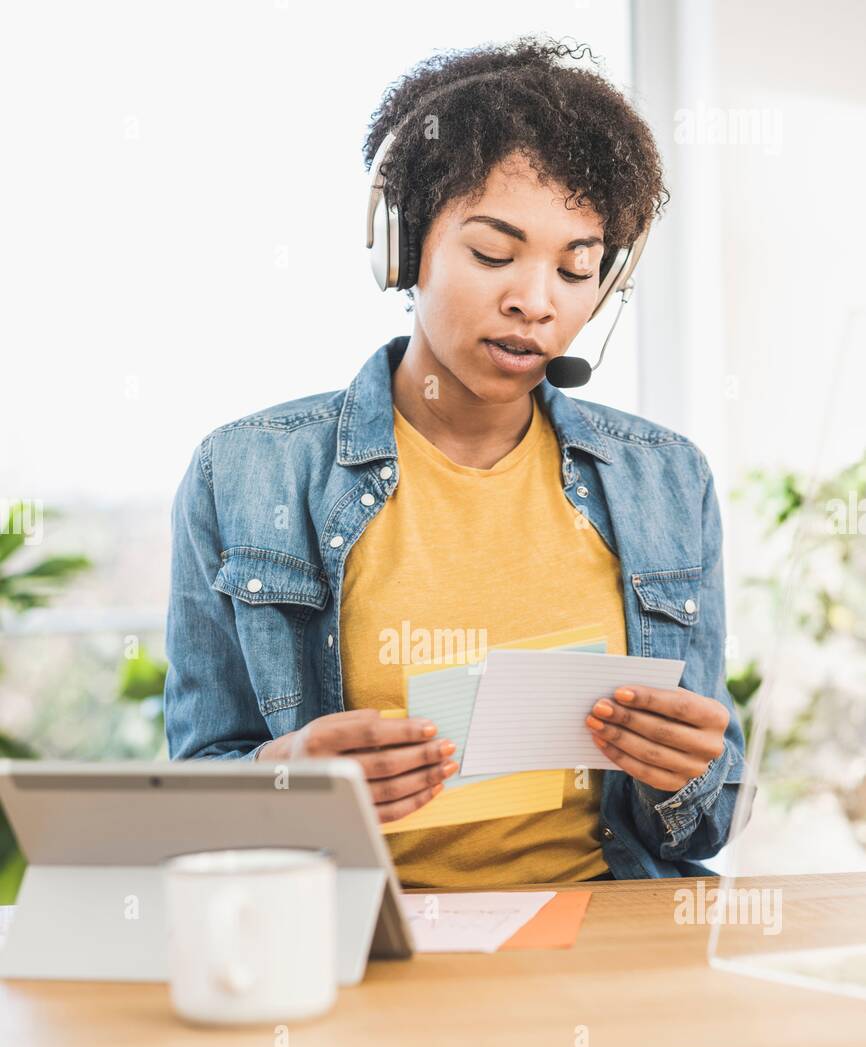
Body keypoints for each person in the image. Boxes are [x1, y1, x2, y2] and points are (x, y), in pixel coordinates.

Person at [164, 36, 752, 886]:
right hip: (362, 931)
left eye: (577, 267)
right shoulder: (245, 473)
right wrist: (283, 776)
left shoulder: (665, 478)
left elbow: (707, 824)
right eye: (492, 253)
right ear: (402, 247)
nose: (535, 301)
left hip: (606, 928)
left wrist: (689, 772)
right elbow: (188, 804)